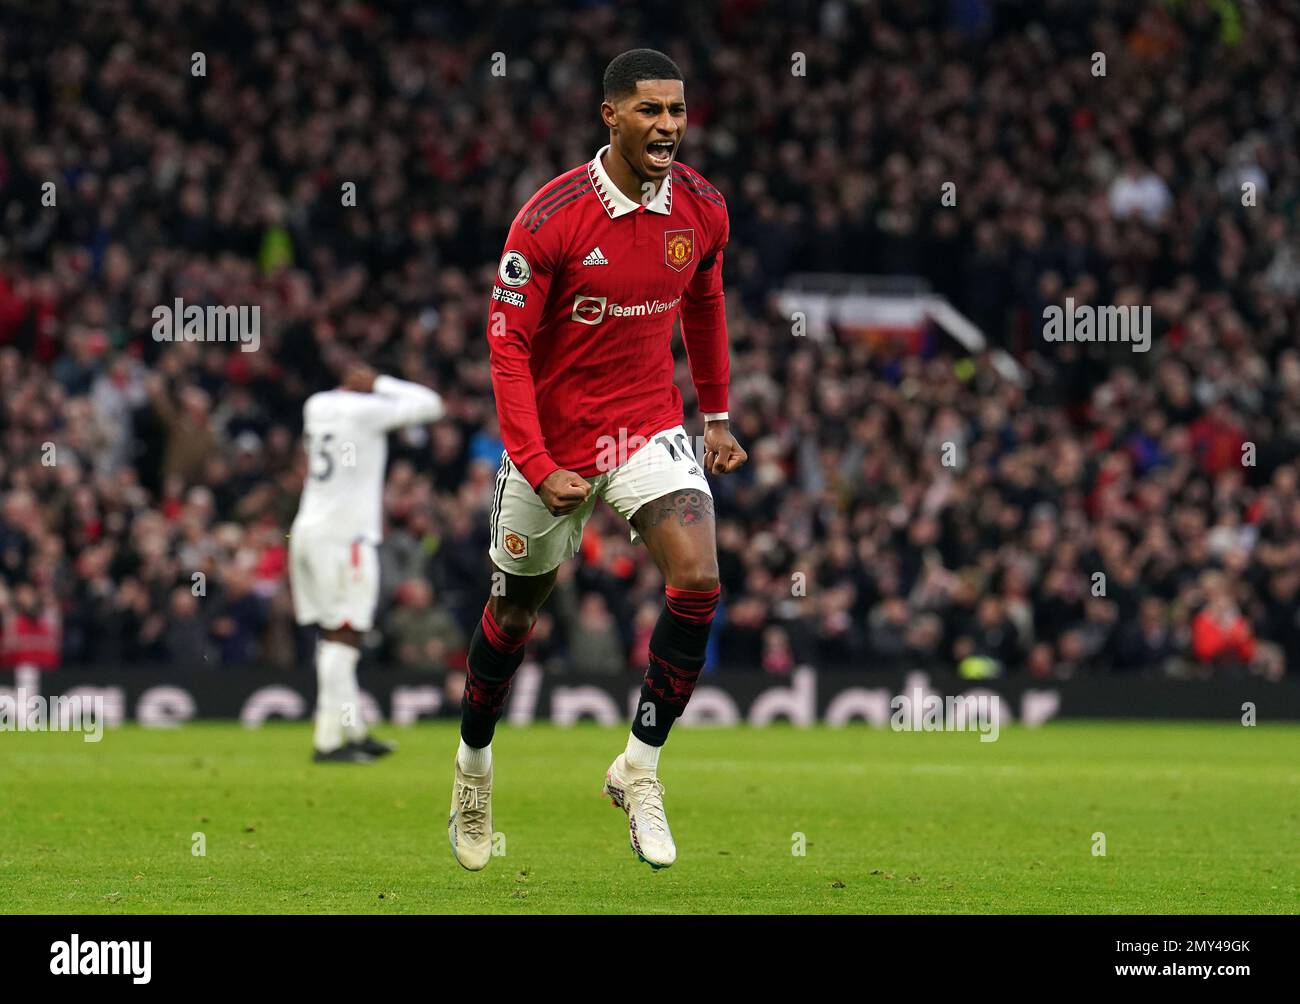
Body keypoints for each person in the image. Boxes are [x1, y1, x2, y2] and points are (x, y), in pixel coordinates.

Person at [447, 48, 748, 871]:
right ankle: (474, 767)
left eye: (677, 112)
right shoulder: (548, 219)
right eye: (650, 111)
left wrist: (715, 414)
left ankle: (638, 768)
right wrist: (537, 463)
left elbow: (707, 302)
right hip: (553, 443)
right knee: (514, 615)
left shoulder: (701, 210)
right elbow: (505, 349)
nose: (668, 127)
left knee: (698, 578)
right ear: (609, 114)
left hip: (647, 426)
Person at [289, 363, 444, 762]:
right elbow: (432, 404)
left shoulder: (316, 405)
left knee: (337, 636)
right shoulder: (366, 411)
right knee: (344, 633)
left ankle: (352, 729)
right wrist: (382, 383)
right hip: (345, 537)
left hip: (308, 529)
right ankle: (327, 741)